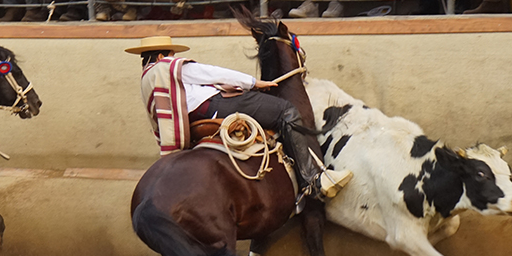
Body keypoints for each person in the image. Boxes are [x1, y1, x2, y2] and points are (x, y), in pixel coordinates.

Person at [125, 35, 353, 203]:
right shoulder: (168, 67)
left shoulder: (146, 81)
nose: (174, 58)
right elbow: (212, 73)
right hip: (215, 107)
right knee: (286, 111)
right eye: (171, 54)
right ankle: (312, 180)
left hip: (193, 122)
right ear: (162, 55)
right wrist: (253, 83)